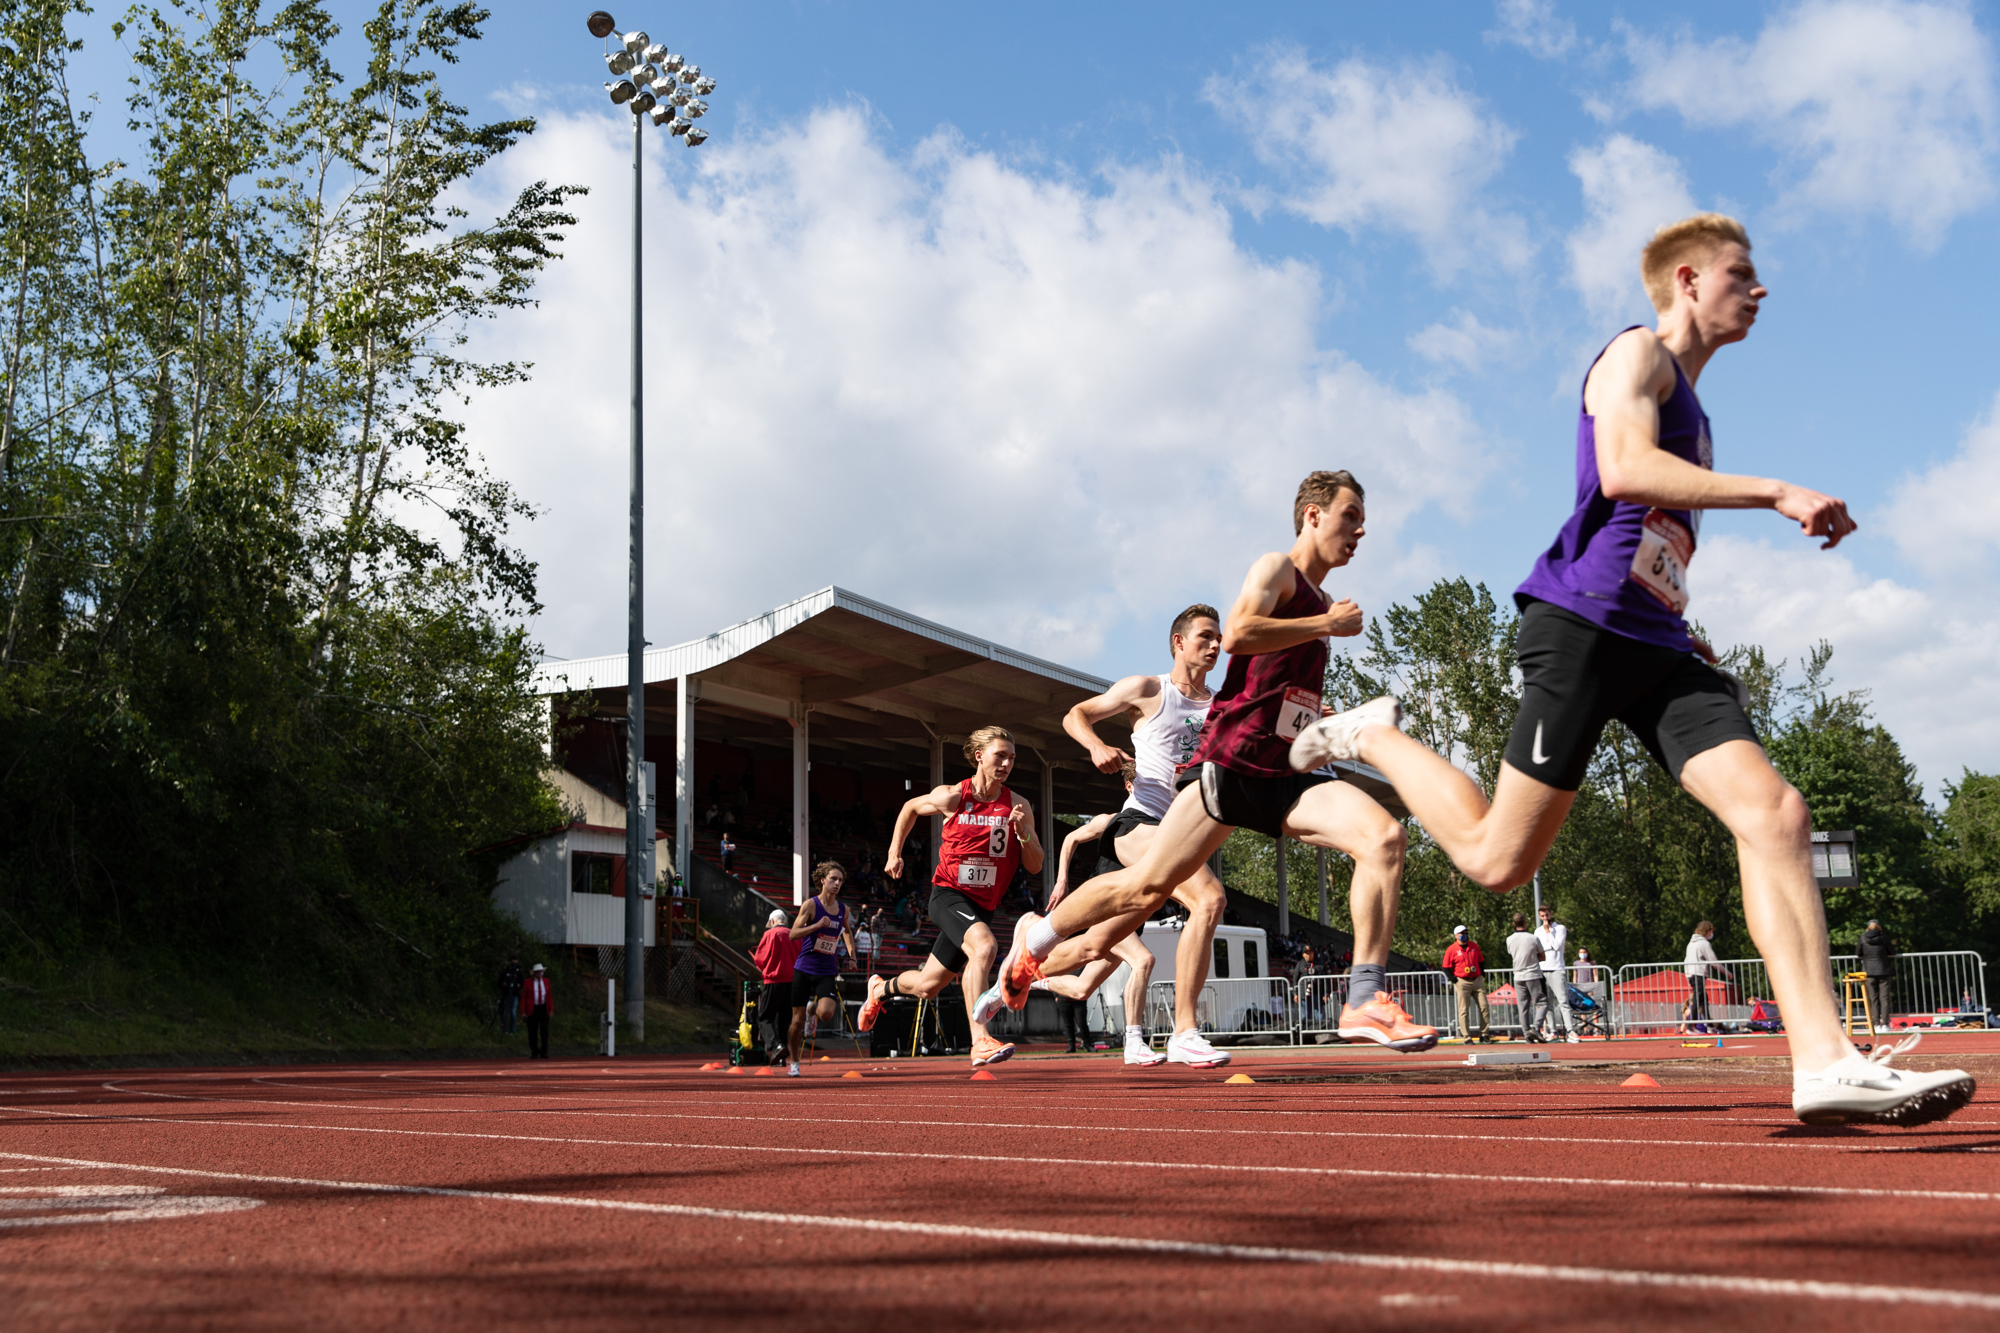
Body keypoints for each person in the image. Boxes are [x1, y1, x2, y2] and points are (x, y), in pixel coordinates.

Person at [1290, 214, 1972, 1126]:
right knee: (1498, 861)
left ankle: (1823, 1061)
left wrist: (1677, 615)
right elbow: (1621, 469)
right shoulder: (1635, 356)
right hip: (1577, 629)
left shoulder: (1697, 405)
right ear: (1687, 281)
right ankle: (1371, 734)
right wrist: (1776, 491)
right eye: (1742, 273)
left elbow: (1655, 538)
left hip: (1652, 645)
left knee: (1775, 813)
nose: (1759, 290)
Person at [991, 472, 1437, 1055]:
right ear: (1312, 515)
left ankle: (1365, 996)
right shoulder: (1278, 570)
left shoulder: (1324, 603)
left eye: (1362, 518)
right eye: (1350, 515)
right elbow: (1243, 634)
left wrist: (1330, 719)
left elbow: (1287, 692)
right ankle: (1036, 943)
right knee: (1143, 888)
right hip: (1230, 770)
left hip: (1287, 774)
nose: (1360, 528)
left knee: (1384, 838)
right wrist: (1325, 625)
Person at [1016, 605, 1231, 1066]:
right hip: (1140, 824)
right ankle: (1185, 1031)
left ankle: (1017, 973)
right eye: (1206, 637)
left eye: (1219, 638)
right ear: (1178, 641)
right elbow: (1076, 714)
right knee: (1210, 899)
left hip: (1184, 832)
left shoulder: (1221, 705)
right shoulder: (1149, 689)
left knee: (1094, 948)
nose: (1216, 646)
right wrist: (1095, 745)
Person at [856, 726, 1044, 1068]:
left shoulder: (1018, 806)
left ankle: (880, 990)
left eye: (1012, 758)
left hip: (982, 906)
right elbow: (911, 807)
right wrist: (893, 853)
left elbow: (1035, 866)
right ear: (979, 757)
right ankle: (980, 1040)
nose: (1006, 764)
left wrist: (1024, 833)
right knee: (985, 947)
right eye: (999, 756)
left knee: (928, 986)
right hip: (948, 895)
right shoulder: (954, 796)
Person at [1028, 773, 1168, 1067]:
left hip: (1132, 916)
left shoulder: (1163, 826)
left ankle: (1034, 979)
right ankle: (1134, 1041)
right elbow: (1071, 837)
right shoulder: (1114, 820)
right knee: (1143, 961)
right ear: (1130, 787)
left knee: (1082, 989)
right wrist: (1061, 880)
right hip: (1107, 907)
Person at [786, 861, 855, 1077]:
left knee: (826, 1013)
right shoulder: (810, 905)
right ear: (823, 880)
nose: (837, 883)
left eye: (840, 880)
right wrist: (816, 925)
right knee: (796, 1023)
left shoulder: (843, 909)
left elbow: (847, 931)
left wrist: (852, 956)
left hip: (827, 969)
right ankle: (795, 1062)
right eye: (833, 879)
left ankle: (811, 1010)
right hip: (804, 968)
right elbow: (792, 934)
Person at [751, 907, 797, 1062]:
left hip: (774, 980)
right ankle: (782, 1054)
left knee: (765, 1017)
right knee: (784, 1018)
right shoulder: (794, 934)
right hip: (791, 982)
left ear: (772, 921)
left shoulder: (770, 934)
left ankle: (776, 1045)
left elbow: (760, 959)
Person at [1535, 904, 1579, 1043]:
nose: (1545, 918)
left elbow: (1556, 946)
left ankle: (1570, 1030)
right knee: (1547, 1003)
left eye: (1547, 915)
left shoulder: (1560, 928)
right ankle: (1553, 1031)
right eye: (1542, 916)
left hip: (1557, 968)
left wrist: (1548, 932)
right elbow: (1538, 950)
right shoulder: (1537, 931)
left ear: (1551, 914)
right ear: (1539, 916)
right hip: (1543, 969)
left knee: (1563, 1001)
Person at [1505, 913, 1549, 1042]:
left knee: (1522, 1006)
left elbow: (1511, 953)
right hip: (1533, 974)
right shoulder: (1533, 938)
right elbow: (1543, 956)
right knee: (1542, 1002)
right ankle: (1535, 1027)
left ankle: (1526, 1034)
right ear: (1525, 923)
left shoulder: (1509, 939)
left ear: (1514, 924)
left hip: (1518, 976)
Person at [1443, 925, 1489, 1042]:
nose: (1464, 935)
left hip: (1477, 980)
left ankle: (1484, 1034)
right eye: (1461, 933)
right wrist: (1454, 979)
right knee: (1463, 1010)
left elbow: (1481, 961)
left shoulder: (1474, 946)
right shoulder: (1451, 949)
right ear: (1456, 936)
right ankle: (1466, 1036)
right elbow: (1445, 967)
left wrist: (1482, 974)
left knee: (1484, 1007)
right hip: (1462, 981)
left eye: (1465, 932)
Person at [1684, 921, 1727, 1034]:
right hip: (1698, 974)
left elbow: (1687, 960)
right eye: (1711, 932)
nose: (1711, 935)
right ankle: (1690, 1027)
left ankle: (1709, 1025)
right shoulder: (1703, 944)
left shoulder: (1691, 943)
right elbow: (1714, 961)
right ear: (1708, 931)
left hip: (1691, 973)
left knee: (1703, 1000)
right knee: (1698, 1000)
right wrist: (1726, 972)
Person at [1858, 919, 1896, 1033]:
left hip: (1869, 972)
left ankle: (1875, 1024)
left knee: (1873, 999)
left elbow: (1858, 953)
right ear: (1879, 927)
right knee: (1884, 999)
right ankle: (1885, 1024)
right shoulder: (1884, 938)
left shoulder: (1863, 938)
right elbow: (1892, 952)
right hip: (1884, 971)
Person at [521, 963, 553, 1060]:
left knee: (544, 1031)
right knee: (532, 1031)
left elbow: (549, 996)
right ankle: (534, 1051)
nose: (539, 973)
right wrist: (523, 1011)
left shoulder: (546, 981)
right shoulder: (527, 982)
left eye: (541, 971)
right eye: (537, 972)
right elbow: (524, 997)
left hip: (543, 1008)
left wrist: (551, 1009)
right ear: (534, 973)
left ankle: (544, 1051)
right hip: (532, 1009)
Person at [498, 955, 524, 1037]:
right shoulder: (505, 972)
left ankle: (512, 1031)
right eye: (513, 961)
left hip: (514, 994)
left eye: (516, 961)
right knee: (504, 1012)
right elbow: (499, 983)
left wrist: (519, 985)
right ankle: (505, 1029)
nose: (514, 963)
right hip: (506, 994)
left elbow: (522, 983)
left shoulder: (519, 972)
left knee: (513, 1013)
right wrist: (504, 984)